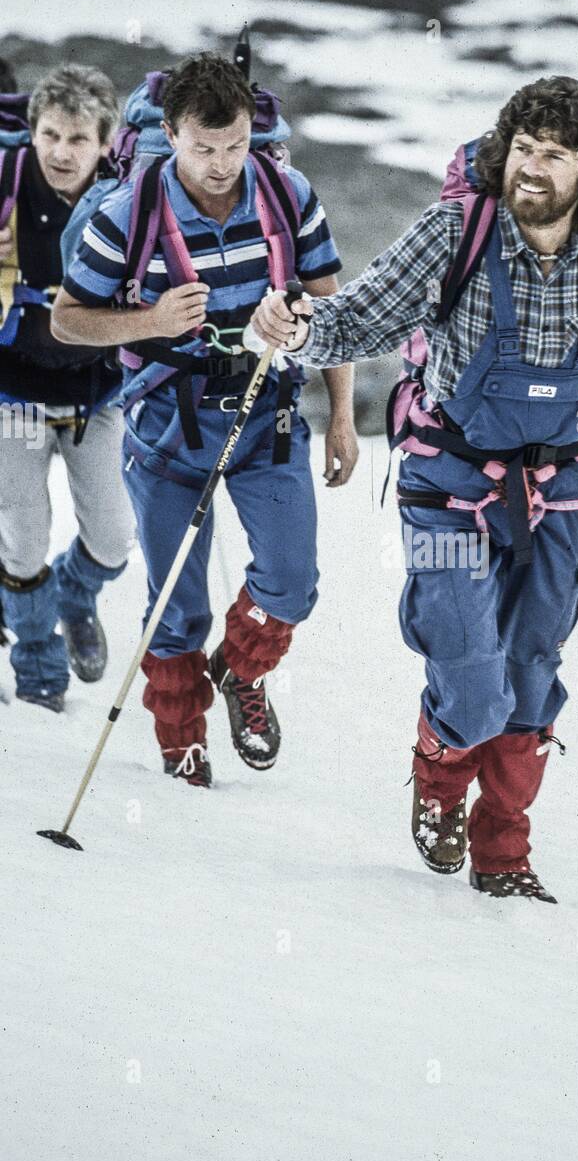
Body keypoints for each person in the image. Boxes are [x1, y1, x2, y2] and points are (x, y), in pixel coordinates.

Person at [252, 75, 578, 902]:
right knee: (470, 674)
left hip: (561, 486)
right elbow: (361, 318)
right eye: (524, 150)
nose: (533, 169)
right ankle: (438, 787)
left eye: (556, 155)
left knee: (533, 671)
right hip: (445, 482)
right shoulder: (453, 231)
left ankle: (502, 851)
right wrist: (292, 330)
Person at [53, 52, 358, 787]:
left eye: (234, 145)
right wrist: (150, 318)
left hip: (269, 419)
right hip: (165, 428)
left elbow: (328, 300)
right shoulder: (128, 213)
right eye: (202, 148)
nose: (222, 165)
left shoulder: (286, 193)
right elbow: (66, 322)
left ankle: (240, 672)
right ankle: (180, 743)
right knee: (176, 607)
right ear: (171, 134)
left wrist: (344, 414)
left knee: (291, 583)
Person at [0, 63, 134, 712]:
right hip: (11, 393)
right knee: (22, 538)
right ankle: (37, 664)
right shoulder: (4, 183)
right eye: (50, 134)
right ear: (32, 131)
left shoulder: (127, 202)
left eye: (78, 139)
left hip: (96, 391)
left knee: (113, 537)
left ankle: (76, 598)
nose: (61, 151)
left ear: (107, 142)